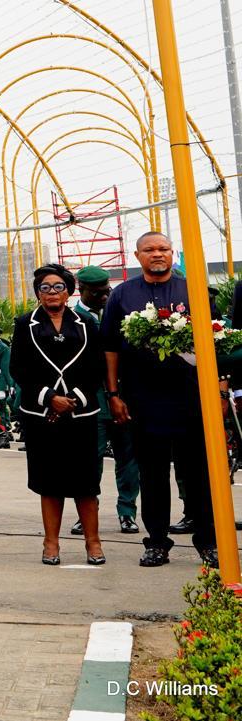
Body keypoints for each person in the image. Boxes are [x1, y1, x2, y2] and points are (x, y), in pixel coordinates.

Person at [100, 231, 220, 568]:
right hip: (143, 399)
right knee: (152, 475)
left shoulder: (193, 290)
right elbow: (110, 347)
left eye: (163, 249)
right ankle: (156, 543)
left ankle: (208, 542)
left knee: (198, 474)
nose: (157, 254)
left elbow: (217, 341)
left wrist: (220, 391)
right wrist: (113, 394)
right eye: (150, 249)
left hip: (192, 398)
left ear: (172, 253)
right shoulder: (122, 295)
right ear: (137, 255)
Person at [9, 264, 106, 565]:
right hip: (41, 414)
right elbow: (19, 368)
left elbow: (96, 366)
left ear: (68, 292)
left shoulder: (86, 322)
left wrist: (73, 399)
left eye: (58, 287)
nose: (52, 292)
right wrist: (50, 398)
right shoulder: (24, 324)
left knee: (85, 482)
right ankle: (51, 543)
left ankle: (93, 542)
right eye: (45, 288)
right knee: (49, 481)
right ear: (38, 293)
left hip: (81, 413)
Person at [71, 265, 140, 536]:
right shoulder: (71, 318)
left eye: (107, 291)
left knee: (128, 458)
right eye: (97, 293)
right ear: (82, 290)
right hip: (90, 400)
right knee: (89, 460)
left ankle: (127, 512)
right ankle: (87, 513)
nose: (104, 297)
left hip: (123, 396)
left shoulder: (121, 314)